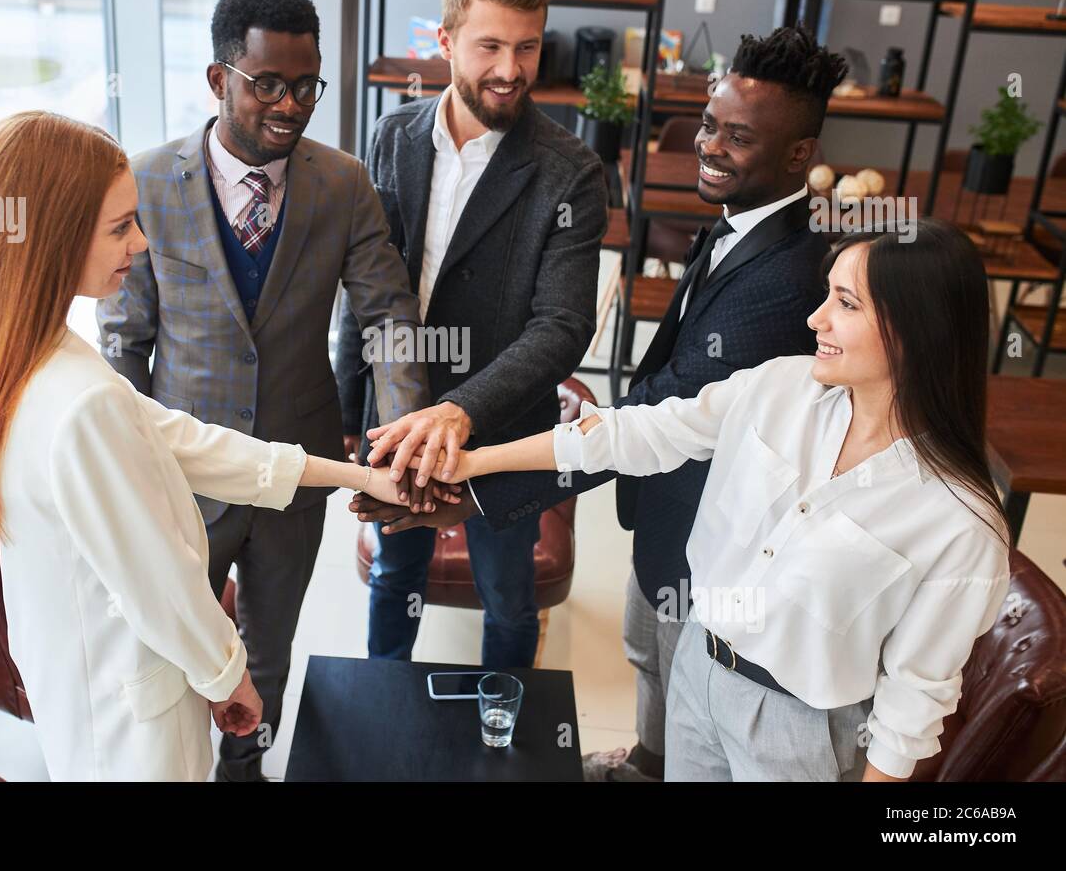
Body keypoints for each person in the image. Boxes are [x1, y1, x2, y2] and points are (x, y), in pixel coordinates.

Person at [356, 25, 842, 778]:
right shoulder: (738, 229)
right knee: (650, 667)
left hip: (714, 548)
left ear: (799, 155)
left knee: (692, 713)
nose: (709, 146)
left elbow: (655, 422)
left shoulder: (782, 283)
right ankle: (642, 764)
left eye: (737, 138)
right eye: (709, 124)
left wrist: (479, 492)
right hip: (668, 525)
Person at [422, 218, 1011, 781]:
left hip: (800, 732)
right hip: (699, 667)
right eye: (826, 295)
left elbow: (917, 695)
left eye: (846, 304)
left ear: (919, 327)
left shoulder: (959, 520)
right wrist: (475, 462)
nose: (816, 318)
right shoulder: (780, 385)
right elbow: (638, 432)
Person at [0, 111, 415, 782]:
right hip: (134, 721)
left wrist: (352, 476)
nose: (145, 242)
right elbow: (156, 580)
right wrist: (229, 676)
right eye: (121, 226)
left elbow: (182, 439)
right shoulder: (80, 402)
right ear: (53, 237)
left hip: (81, 685)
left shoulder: (21, 359)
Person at [97, 0, 435, 781]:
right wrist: (129, 466)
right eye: (268, 84)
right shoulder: (145, 182)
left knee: (269, 643)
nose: (291, 105)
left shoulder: (343, 183)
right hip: (182, 475)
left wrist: (400, 434)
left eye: (307, 84)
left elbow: (388, 317)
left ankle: (243, 769)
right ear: (220, 80)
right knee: (171, 641)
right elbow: (123, 343)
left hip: (298, 460)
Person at [337, 0, 606, 669]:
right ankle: (382, 706)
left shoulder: (571, 171)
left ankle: (506, 737)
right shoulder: (393, 136)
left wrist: (459, 411)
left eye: (527, 47)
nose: (511, 69)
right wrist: (343, 407)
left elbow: (563, 327)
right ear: (446, 42)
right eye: (490, 46)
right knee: (395, 576)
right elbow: (364, 284)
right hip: (395, 411)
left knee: (509, 595)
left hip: (500, 430)